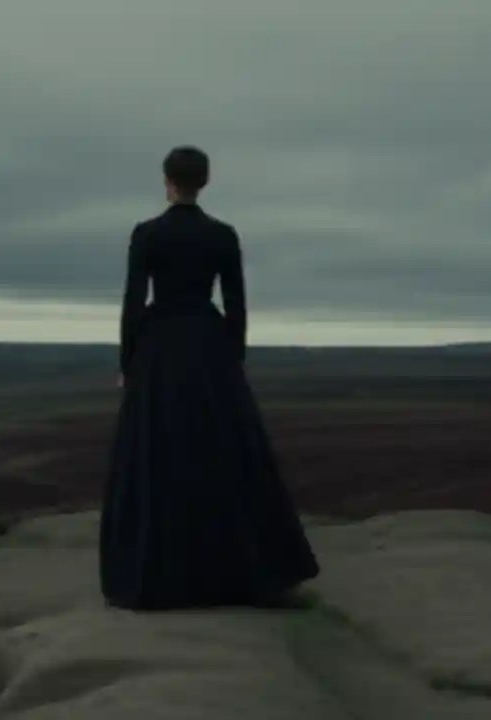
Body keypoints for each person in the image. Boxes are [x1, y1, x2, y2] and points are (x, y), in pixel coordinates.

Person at [100, 145, 320, 610]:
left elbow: (133, 302)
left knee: (157, 455)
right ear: (205, 181)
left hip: (159, 349)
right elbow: (237, 303)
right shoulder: (222, 235)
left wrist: (128, 362)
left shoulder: (147, 234)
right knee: (224, 454)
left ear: (167, 180)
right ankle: (243, 572)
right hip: (208, 345)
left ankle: (153, 574)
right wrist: (232, 357)